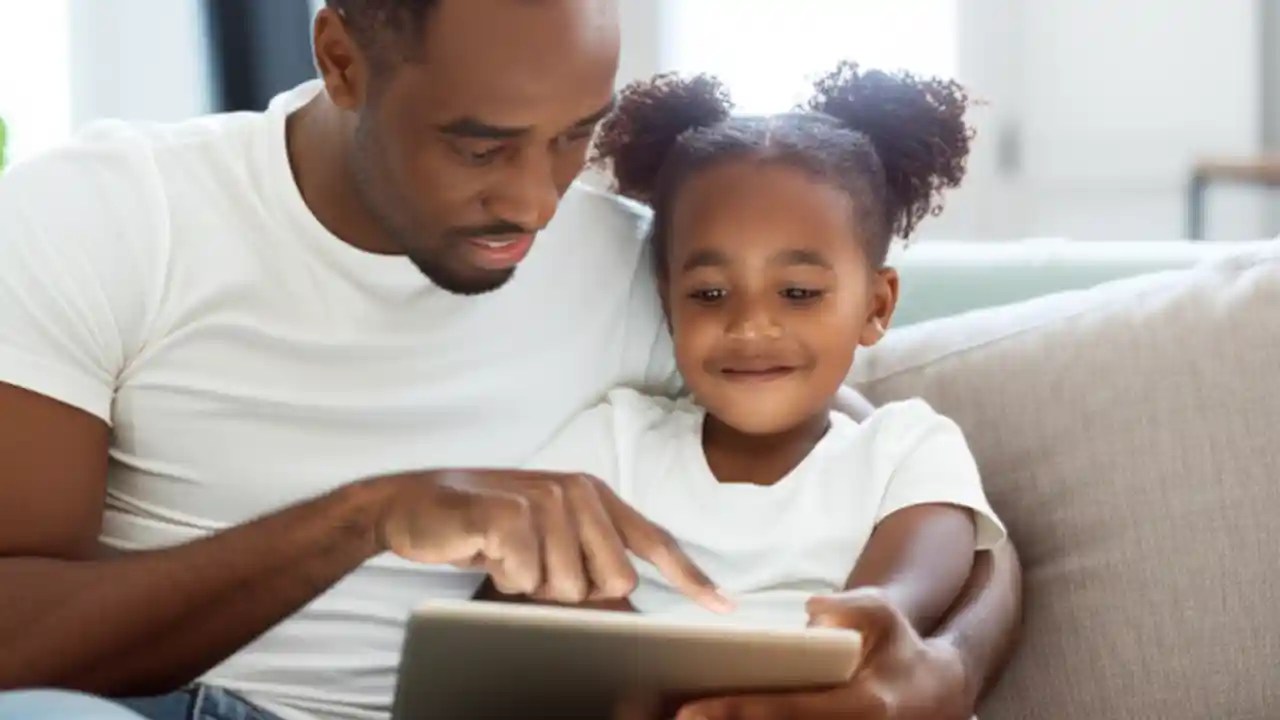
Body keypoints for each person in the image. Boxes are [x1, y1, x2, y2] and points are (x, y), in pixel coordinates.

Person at [0, 1, 1022, 719]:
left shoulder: (648, 270)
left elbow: (908, 491)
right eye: (480, 146)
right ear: (341, 58)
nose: (536, 204)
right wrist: (368, 517)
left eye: (573, 137)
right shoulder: (108, 215)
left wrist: (944, 666)